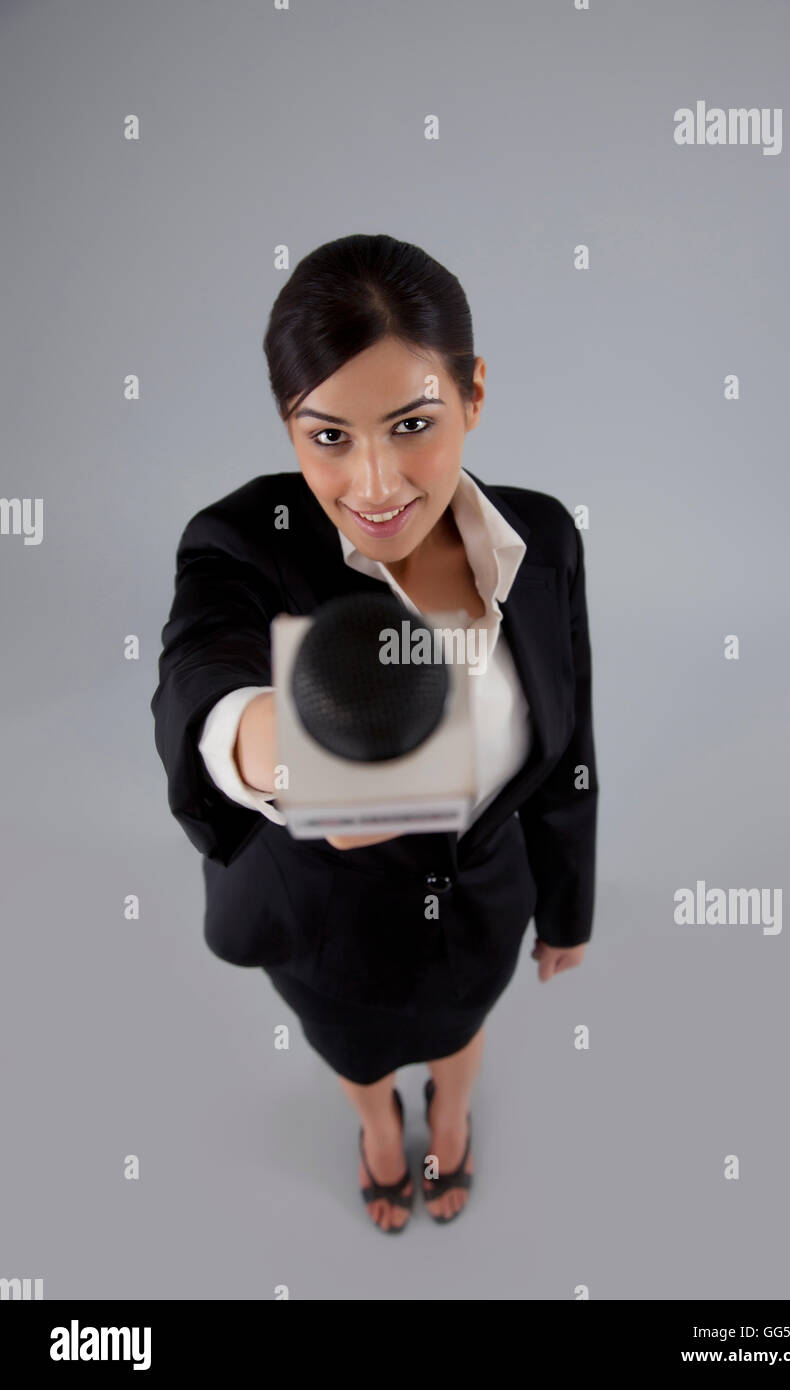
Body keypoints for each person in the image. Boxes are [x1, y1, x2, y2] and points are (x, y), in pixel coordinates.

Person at [151, 232, 599, 1233]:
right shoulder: (238, 541)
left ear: (473, 394)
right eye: (328, 437)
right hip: (323, 923)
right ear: (287, 427)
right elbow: (199, 670)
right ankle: (379, 1133)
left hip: (486, 901)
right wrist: (280, 749)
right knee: (353, 1052)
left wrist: (566, 903)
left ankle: (448, 1105)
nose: (376, 483)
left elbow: (568, 745)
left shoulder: (545, 536)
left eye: (411, 424)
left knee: (460, 1032)